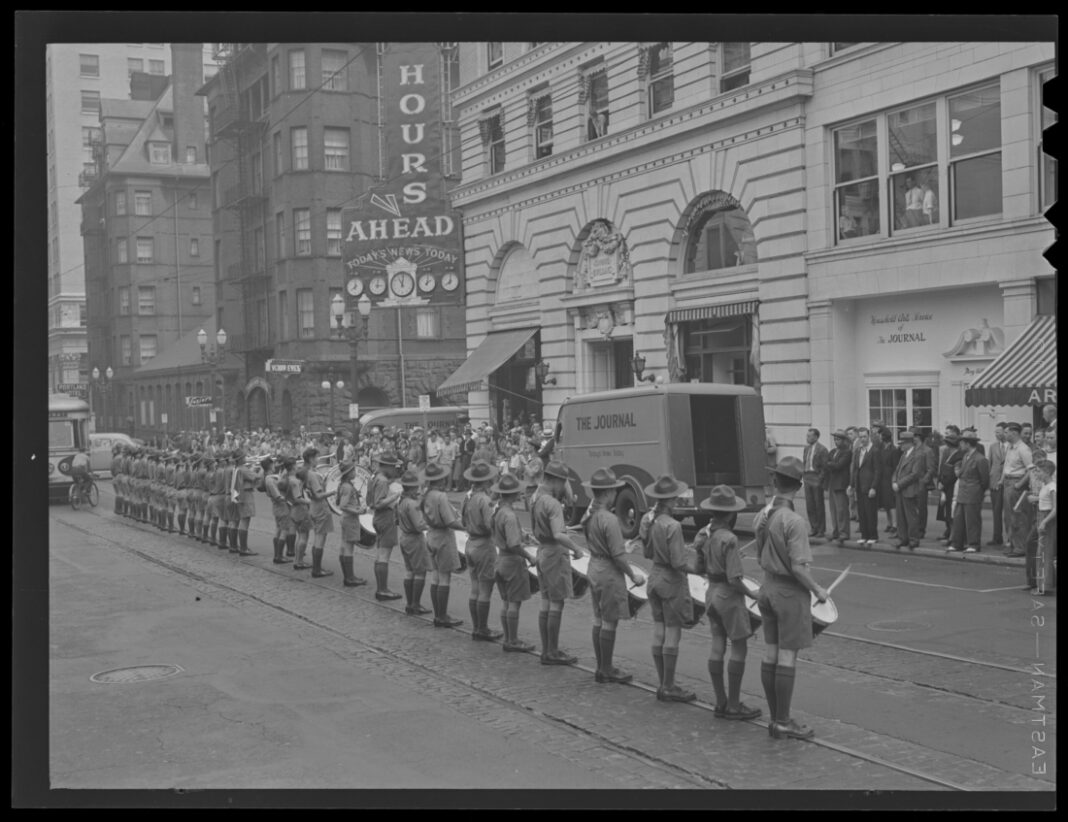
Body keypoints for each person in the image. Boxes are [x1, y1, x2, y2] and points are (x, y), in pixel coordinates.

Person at [754, 457, 830, 740]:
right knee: (787, 656)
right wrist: (818, 590)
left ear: (775, 481)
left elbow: (759, 554)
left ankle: (775, 717)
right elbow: (798, 566)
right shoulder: (794, 520)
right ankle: (783, 721)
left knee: (770, 653)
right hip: (788, 593)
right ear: (798, 486)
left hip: (767, 588)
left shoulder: (763, 514)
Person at [694, 485, 761, 720]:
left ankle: (720, 701)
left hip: (710, 593)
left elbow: (698, 567)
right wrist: (753, 595)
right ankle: (733, 703)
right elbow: (734, 579)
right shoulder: (729, 539)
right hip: (728, 597)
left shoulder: (705, 534)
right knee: (739, 646)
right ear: (731, 514)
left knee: (717, 645)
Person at [582, 468, 646, 685]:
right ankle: (607, 668)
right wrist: (633, 575)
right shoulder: (609, 519)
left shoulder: (589, 515)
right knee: (610, 621)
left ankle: (601, 666)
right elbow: (617, 556)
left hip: (594, 565)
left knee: (598, 618)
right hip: (608, 571)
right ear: (608, 492)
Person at [642, 474, 696, 702]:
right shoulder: (673, 525)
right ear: (671, 499)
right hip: (670, 581)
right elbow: (678, 563)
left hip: (654, 577)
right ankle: (669, 685)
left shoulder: (650, 520)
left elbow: (646, 552)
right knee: (673, 632)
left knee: (659, 629)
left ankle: (662, 681)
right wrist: (698, 569)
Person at [532, 460, 584, 665]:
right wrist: (577, 549)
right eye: (564, 482)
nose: (565, 486)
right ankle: (552, 651)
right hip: (554, 553)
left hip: (542, 550)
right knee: (556, 602)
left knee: (545, 602)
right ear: (556, 480)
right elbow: (558, 534)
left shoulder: (536, 496)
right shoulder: (552, 503)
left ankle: (547, 649)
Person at [492, 472, 536, 652]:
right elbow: (514, 544)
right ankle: (513, 640)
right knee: (514, 603)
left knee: (506, 602)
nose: (521, 493)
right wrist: (530, 557)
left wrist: (524, 535)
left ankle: (508, 638)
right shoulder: (509, 515)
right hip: (512, 562)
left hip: (500, 559)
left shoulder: (498, 511)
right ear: (512, 494)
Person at [421, 461, 466, 627]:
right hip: (443, 537)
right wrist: (468, 527)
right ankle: (442, 615)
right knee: (445, 578)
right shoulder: (440, 496)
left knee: (435, 577)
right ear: (440, 479)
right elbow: (450, 521)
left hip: (431, 535)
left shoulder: (426, 494)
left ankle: (437, 614)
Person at [462, 460, 501, 640]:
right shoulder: (485, 500)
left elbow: (463, 521)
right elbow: (489, 525)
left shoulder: (468, 497)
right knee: (485, 590)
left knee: (475, 587)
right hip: (484, 545)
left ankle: (476, 627)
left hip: (470, 543)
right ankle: (482, 629)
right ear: (486, 481)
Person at [366, 454, 404, 600]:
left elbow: (370, 501)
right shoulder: (382, 481)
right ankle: (383, 589)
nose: (395, 470)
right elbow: (378, 503)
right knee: (384, 555)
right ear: (387, 466)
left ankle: (381, 588)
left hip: (378, 518)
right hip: (386, 517)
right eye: (393, 467)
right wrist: (396, 496)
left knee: (380, 554)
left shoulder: (375, 477)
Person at [946, 429, 990, 554]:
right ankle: (957, 543)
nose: (960, 445)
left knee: (972, 521)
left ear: (967, 444)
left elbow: (984, 479)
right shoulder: (965, 456)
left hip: (973, 493)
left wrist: (980, 492)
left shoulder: (980, 459)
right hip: (962, 493)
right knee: (959, 519)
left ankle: (974, 544)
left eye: (962, 443)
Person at [395, 469, 432, 614]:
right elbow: (419, 525)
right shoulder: (411, 503)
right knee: (420, 572)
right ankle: (415, 604)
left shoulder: (402, 501)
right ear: (411, 488)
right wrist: (430, 525)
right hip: (414, 539)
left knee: (409, 571)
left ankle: (410, 603)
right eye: (416, 487)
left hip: (404, 537)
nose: (418, 488)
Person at [1002, 422, 1034, 559]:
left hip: (1016, 483)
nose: (1005, 434)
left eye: (1006, 432)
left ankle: (1021, 547)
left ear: (1014, 433)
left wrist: (1019, 484)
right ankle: (1014, 545)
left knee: (1018, 517)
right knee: (1009, 517)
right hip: (1008, 482)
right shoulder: (1010, 447)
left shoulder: (1023, 449)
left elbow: (1031, 469)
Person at [892, 430, 925, 550]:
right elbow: (897, 470)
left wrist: (899, 484)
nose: (900, 446)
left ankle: (913, 539)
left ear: (909, 443)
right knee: (900, 516)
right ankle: (903, 538)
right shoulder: (904, 455)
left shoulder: (918, 455)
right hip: (901, 489)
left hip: (910, 489)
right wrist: (894, 480)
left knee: (911, 517)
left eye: (902, 443)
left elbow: (915, 474)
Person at [849, 427, 882, 547]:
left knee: (870, 512)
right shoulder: (858, 451)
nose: (862, 439)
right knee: (862, 512)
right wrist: (851, 485)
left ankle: (873, 535)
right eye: (860, 437)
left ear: (869, 437)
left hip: (869, 486)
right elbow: (855, 469)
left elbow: (878, 470)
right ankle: (864, 535)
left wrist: (874, 487)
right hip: (859, 485)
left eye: (864, 437)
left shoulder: (874, 451)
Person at [1032, 460, 1056, 596]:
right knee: (1040, 552)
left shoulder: (1052, 486)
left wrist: (1044, 522)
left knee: (1044, 553)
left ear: (1047, 472)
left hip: (1048, 519)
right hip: (1042, 515)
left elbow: (1055, 508)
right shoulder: (1045, 485)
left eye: (1039, 471)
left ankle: (1044, 586)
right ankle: (1041, 585)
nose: (1037, 473)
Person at [825, 430, 852, 546]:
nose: (836, 441)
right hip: (832, 483)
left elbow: (838, 465)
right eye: (835, 439)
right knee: (833, 509)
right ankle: (836, 531)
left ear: (844, 440)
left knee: (841, 510)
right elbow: (826, 463)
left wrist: (830, 464)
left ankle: (844, 532)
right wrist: (831, 464)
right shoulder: (833, 451)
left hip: (841, 484)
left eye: (839, 439)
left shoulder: (847, 452)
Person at [233, 451, 262, 556]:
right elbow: (256, 477)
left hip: (241, 494)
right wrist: (262, 468)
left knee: (243, 520)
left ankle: (243, 547)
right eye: (244, 457)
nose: (246, 458)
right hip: (246, 495)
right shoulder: (243, 469)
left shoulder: (238, 468)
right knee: (245, 521)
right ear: (240, 459)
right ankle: (244, 548)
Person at [801, 428, 828, 538]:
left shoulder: (822, 449)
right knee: (810, 505)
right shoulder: (806, 448)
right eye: (807, 436)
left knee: (818, 505)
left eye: (809, 436)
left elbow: (824, 467)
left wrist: (820, 479)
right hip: (807, 477)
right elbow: (804, 462)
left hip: (816, 477)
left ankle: (821, 529)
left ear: (816, 437)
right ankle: (814, 527)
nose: (807, 438)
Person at [937, 428, 963, 542]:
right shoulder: (948, 453)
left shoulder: (958, 455)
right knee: (947, 512)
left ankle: (953, 537)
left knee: (951, 512)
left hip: (952, 486)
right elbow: (942, 468)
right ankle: (950, 534)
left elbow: (954, 474)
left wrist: (943, 483)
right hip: (945, 486)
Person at [263, 457, 290, 564]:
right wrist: (289, 500)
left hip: (276, 507)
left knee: (278, 529)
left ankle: (277, 555)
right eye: (273, 464)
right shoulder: (271, 479)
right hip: (281, 505)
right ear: (270, 466)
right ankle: (279, 556)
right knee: (284, 530)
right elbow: (278, 496)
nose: (275, 466)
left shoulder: (268, 477)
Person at [289, 454, 313, 569]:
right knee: (303, 537)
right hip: (301, 511)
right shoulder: (297, 483)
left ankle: (297, 560)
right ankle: (299, 561)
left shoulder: (295, 481)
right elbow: (298, 498)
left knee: (300, 536)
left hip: (295, 511)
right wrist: (308, 501)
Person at [986, 423, 1008, 548]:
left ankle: (1011, 538)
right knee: (996, 511)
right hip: (995, 482)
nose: (996, 434)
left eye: (998, 432)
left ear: (1005, 432)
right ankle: (997, 537)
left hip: (1009, 482)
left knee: (1009, 513)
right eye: (995, 432)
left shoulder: (1011, 446)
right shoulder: (993, 446)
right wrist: (990, 481)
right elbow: (990, 464)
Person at [914, 429, 938, 539]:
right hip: (910, 482)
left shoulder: (927, 451)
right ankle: (912, 528)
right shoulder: (912, 449)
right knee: (912, 507)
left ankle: (920, 529)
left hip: (920, 483)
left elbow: (931, 469)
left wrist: (924, 481)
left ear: (917, 437)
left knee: (921, 507)